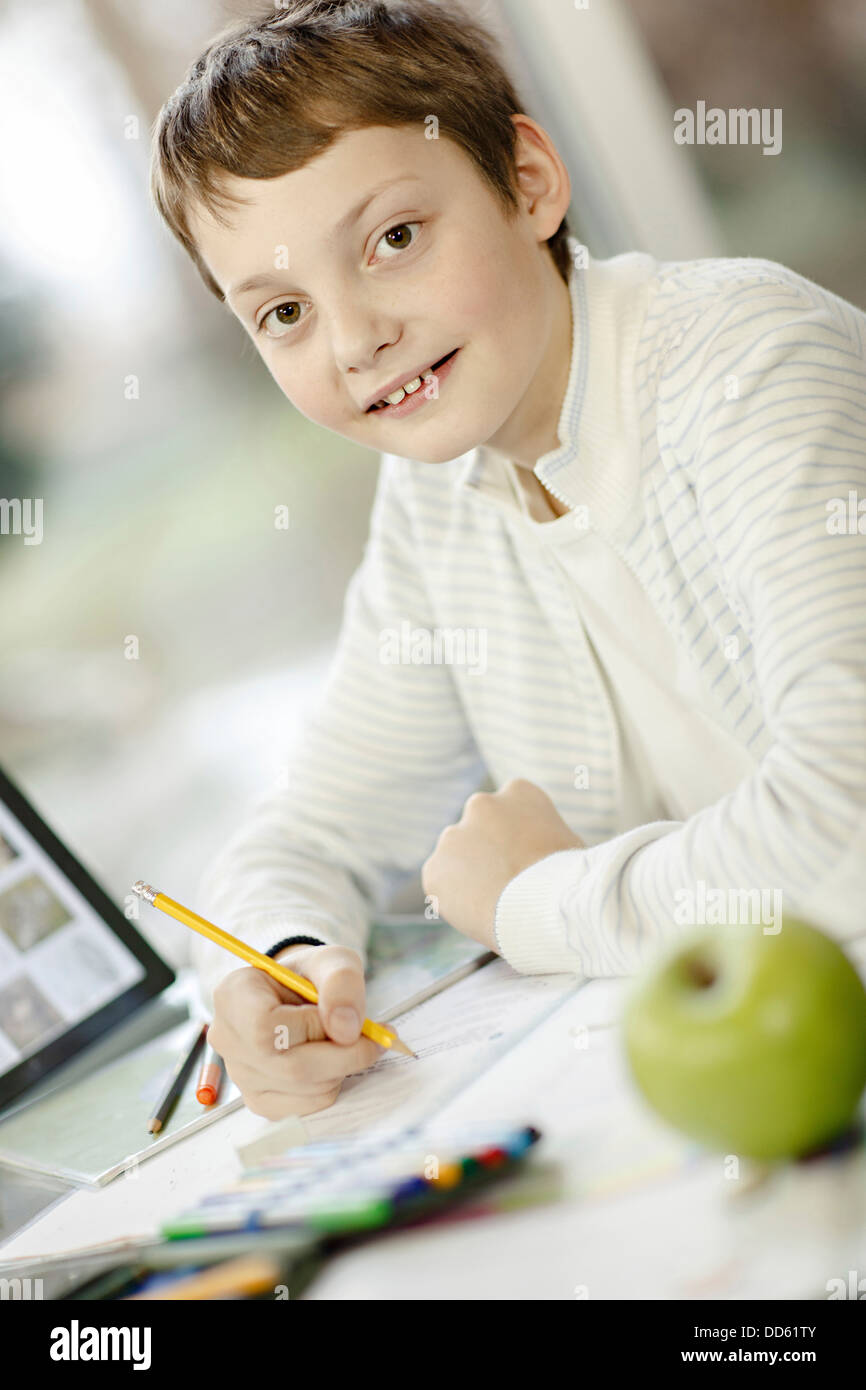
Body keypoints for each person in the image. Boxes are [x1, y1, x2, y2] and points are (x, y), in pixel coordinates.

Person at [149, 0, 866, 1118]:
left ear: (526, 181)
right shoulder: (438, 495)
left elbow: (849, 830)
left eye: (392, 239)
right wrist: (277, 963)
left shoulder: (746, 364)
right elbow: (316, 829)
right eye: (284, 311)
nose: (353, 339)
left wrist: (535, 899)